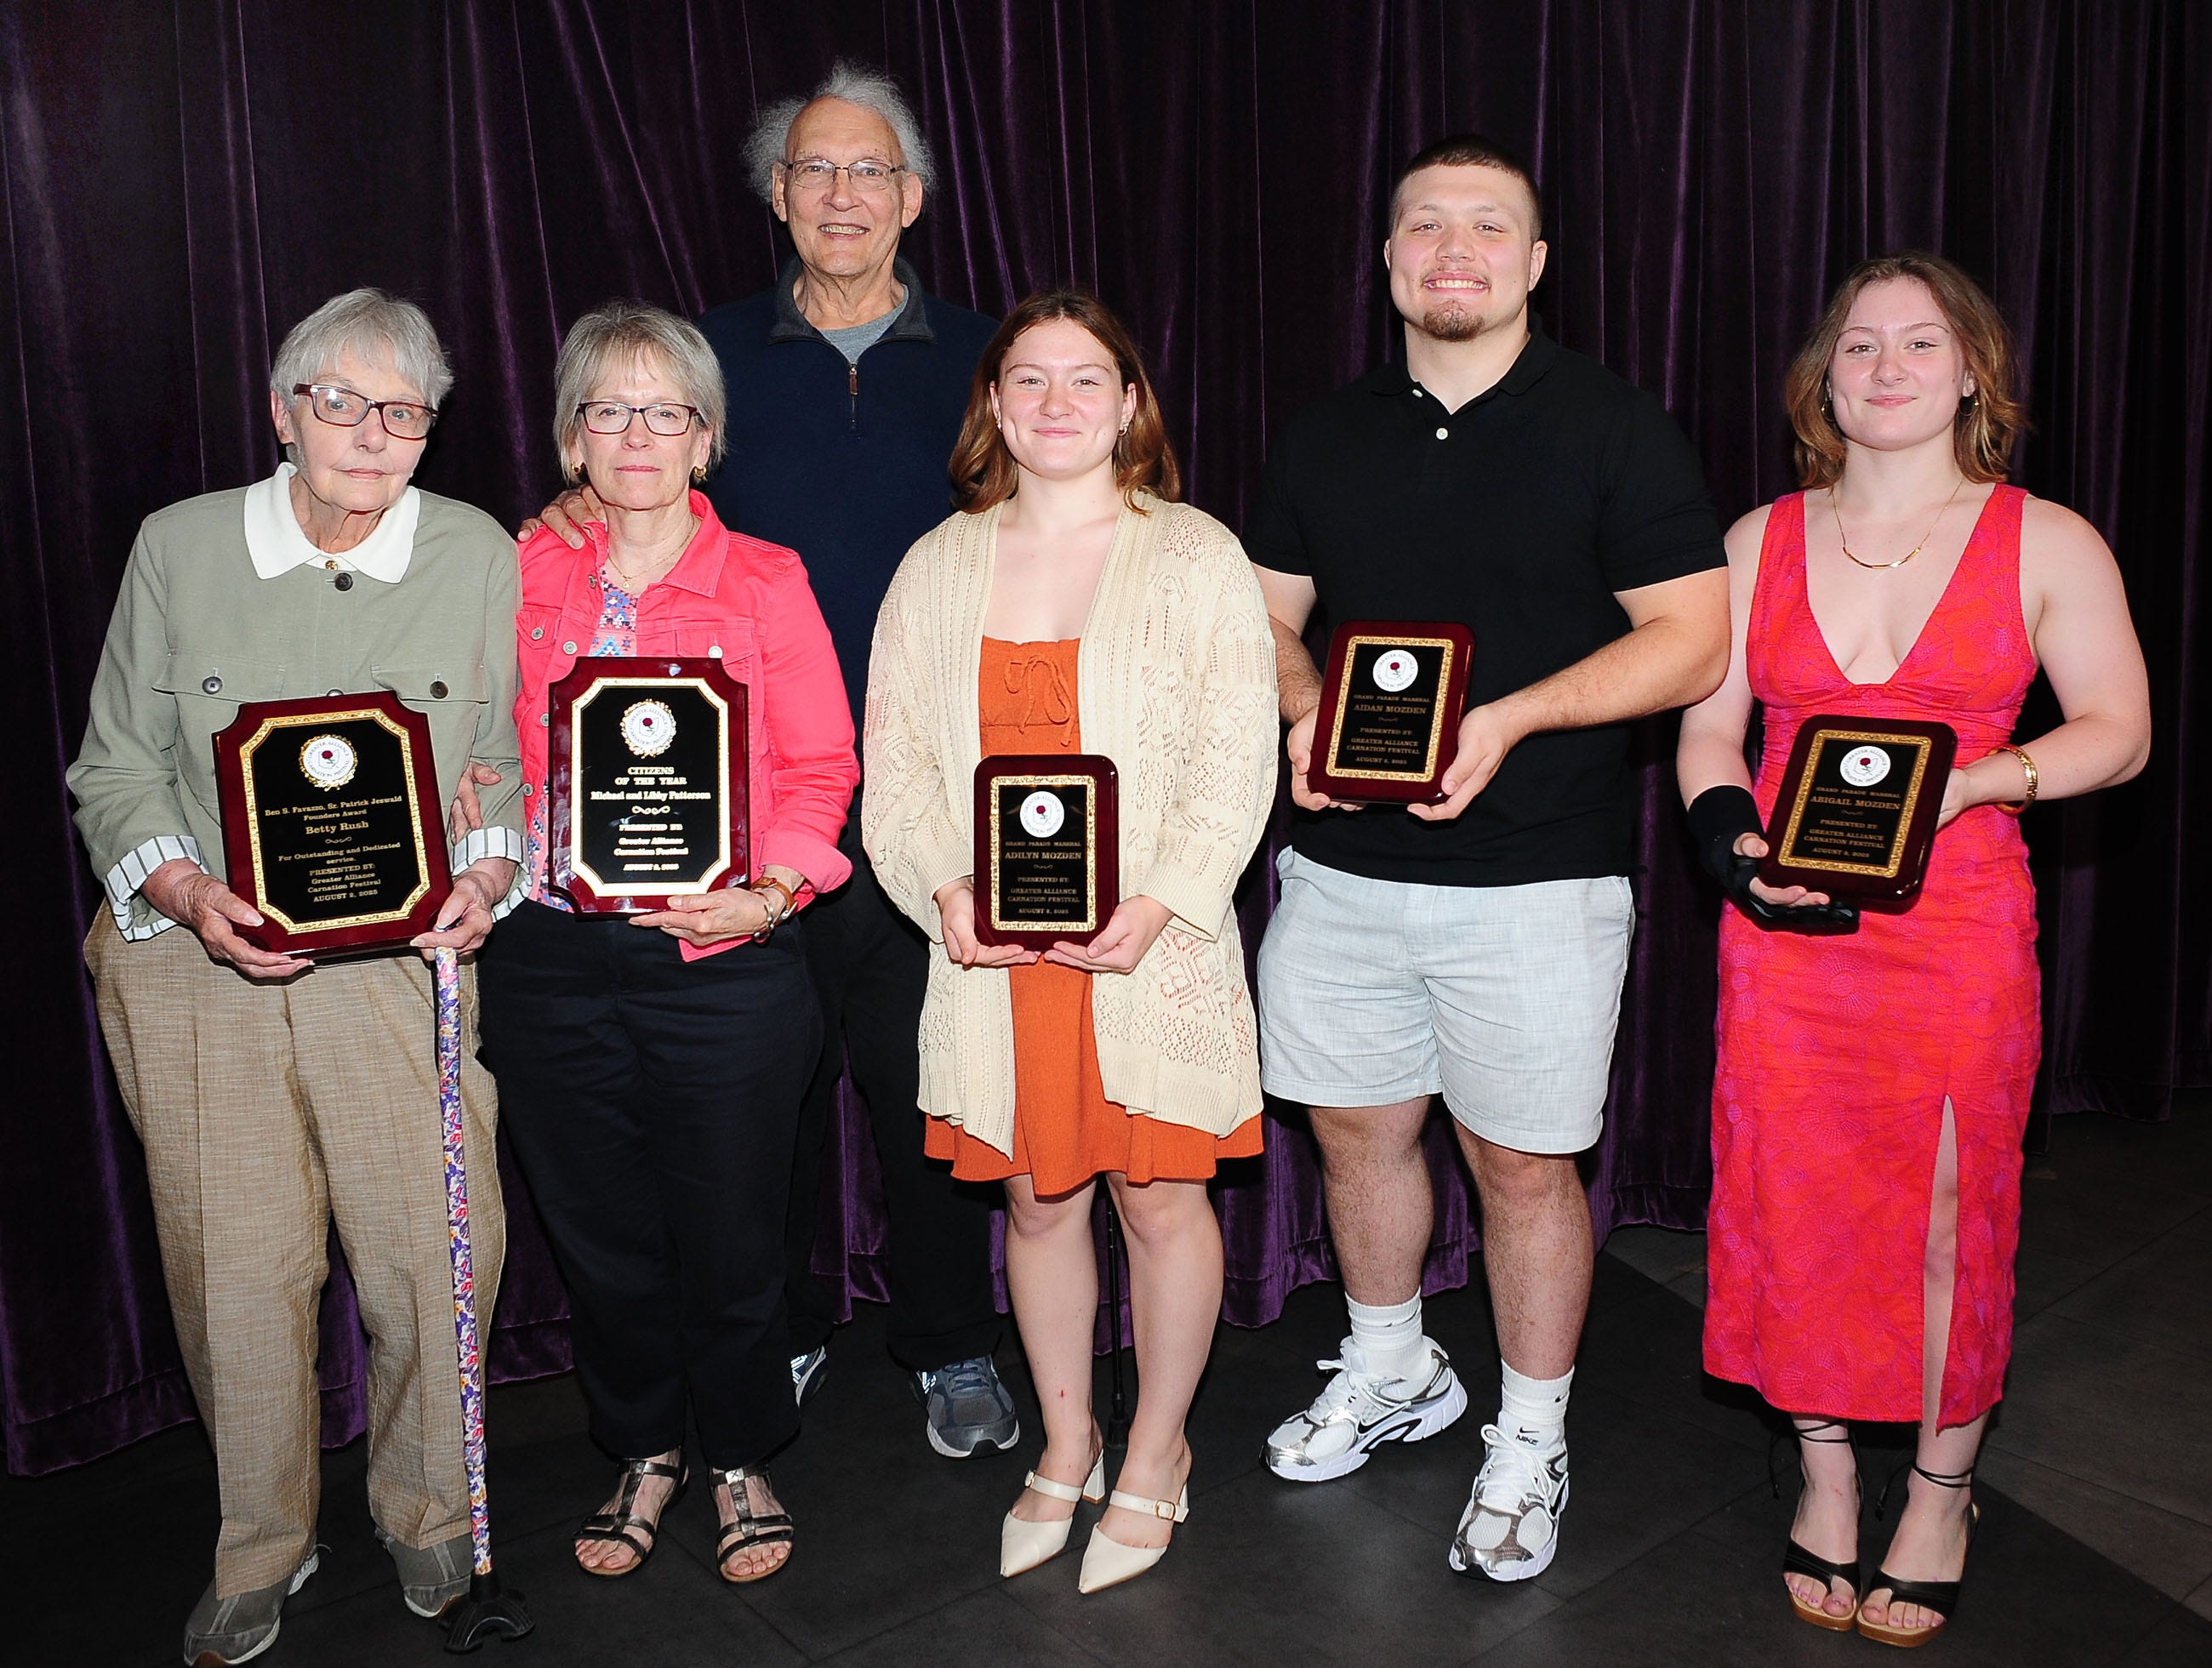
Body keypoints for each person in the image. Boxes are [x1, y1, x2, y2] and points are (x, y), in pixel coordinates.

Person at [1246, 134, 1730, 1581]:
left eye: (1487, 228)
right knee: (1352, 1130)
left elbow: (1695, 640)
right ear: (1389, 259)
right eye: (1423, 227)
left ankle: (1530, 1429)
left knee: (1523, 1163)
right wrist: (1307, 700)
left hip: (1538, 875)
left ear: (1532, 264)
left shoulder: (1613, 426)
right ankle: (1395, 1365)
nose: (1453, 249)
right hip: (1338, 868)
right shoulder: (1322, 434)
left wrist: (1510, 719)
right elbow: (1268, 617)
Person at [520, 60, 1011, 1456]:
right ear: (778, 200)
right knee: (756, 1111)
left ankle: (950, 1342)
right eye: (814, 172)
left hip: (924, 801)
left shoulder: (988, 359)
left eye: (870, 172)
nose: (842, 194)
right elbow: (623, 476)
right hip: (730, 820)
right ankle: (781, 1331)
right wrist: (573, 499)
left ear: (913, 197)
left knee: (928, 1089)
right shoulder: (704, 358)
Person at [1676, 253, 2150, 1645]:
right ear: (1824, 377)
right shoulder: (1757, 536)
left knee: (1951, 1213)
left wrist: (1978, 779)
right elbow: (1712, 729)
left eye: (1920, 343)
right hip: (1787, 935)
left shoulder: (2047, 538)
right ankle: (1826, 1473)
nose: (1886, 367)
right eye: (1861, 345)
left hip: (1958, 928)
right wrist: (1727, 839)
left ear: (1972, 374)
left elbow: (2117, 732)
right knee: (1795, 1198)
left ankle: (1940, 1489)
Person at [67, 288, 525, 1665]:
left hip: (398, 970)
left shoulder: (474, 552)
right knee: (238, 1274)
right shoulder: (182, 546)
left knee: (437, 1257)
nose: (371, 435)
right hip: (204, 970)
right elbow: (112, 766)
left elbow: (498, 759)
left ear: (429, 430)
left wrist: (486, 875)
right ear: (283, 412)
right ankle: (264, 1541)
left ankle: (432, 1511)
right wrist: (192, 894)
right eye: (341, 402)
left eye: (404, 412)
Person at [861, 288, 1277, 1591]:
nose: (1054, 402)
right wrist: (944, 892)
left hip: (1149, 951)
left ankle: (1156, 1451)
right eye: (1026, 379)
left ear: (1130, 404)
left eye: (1084, 378)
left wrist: (1158, 904)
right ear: (992, 404)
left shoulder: (1196, 552)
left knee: (1161, 1196)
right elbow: (900, 768)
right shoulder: (937, 562)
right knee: (1040, 1201)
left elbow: (1234, 753)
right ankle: (1065, 1438)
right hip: (999, 961)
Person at [472, 301, 857, 1585]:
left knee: (734, 1228)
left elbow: (821, 767)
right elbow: (465, 747)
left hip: (725, 963)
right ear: (574, 439)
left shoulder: (770, 579)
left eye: (666, 410)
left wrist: (773, 893)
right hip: (548, 957)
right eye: (608, 408)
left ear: (707, 438)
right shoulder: (512, 574)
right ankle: (642, 1445)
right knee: (601, 1231)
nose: (637, 433)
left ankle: (744, 1448)